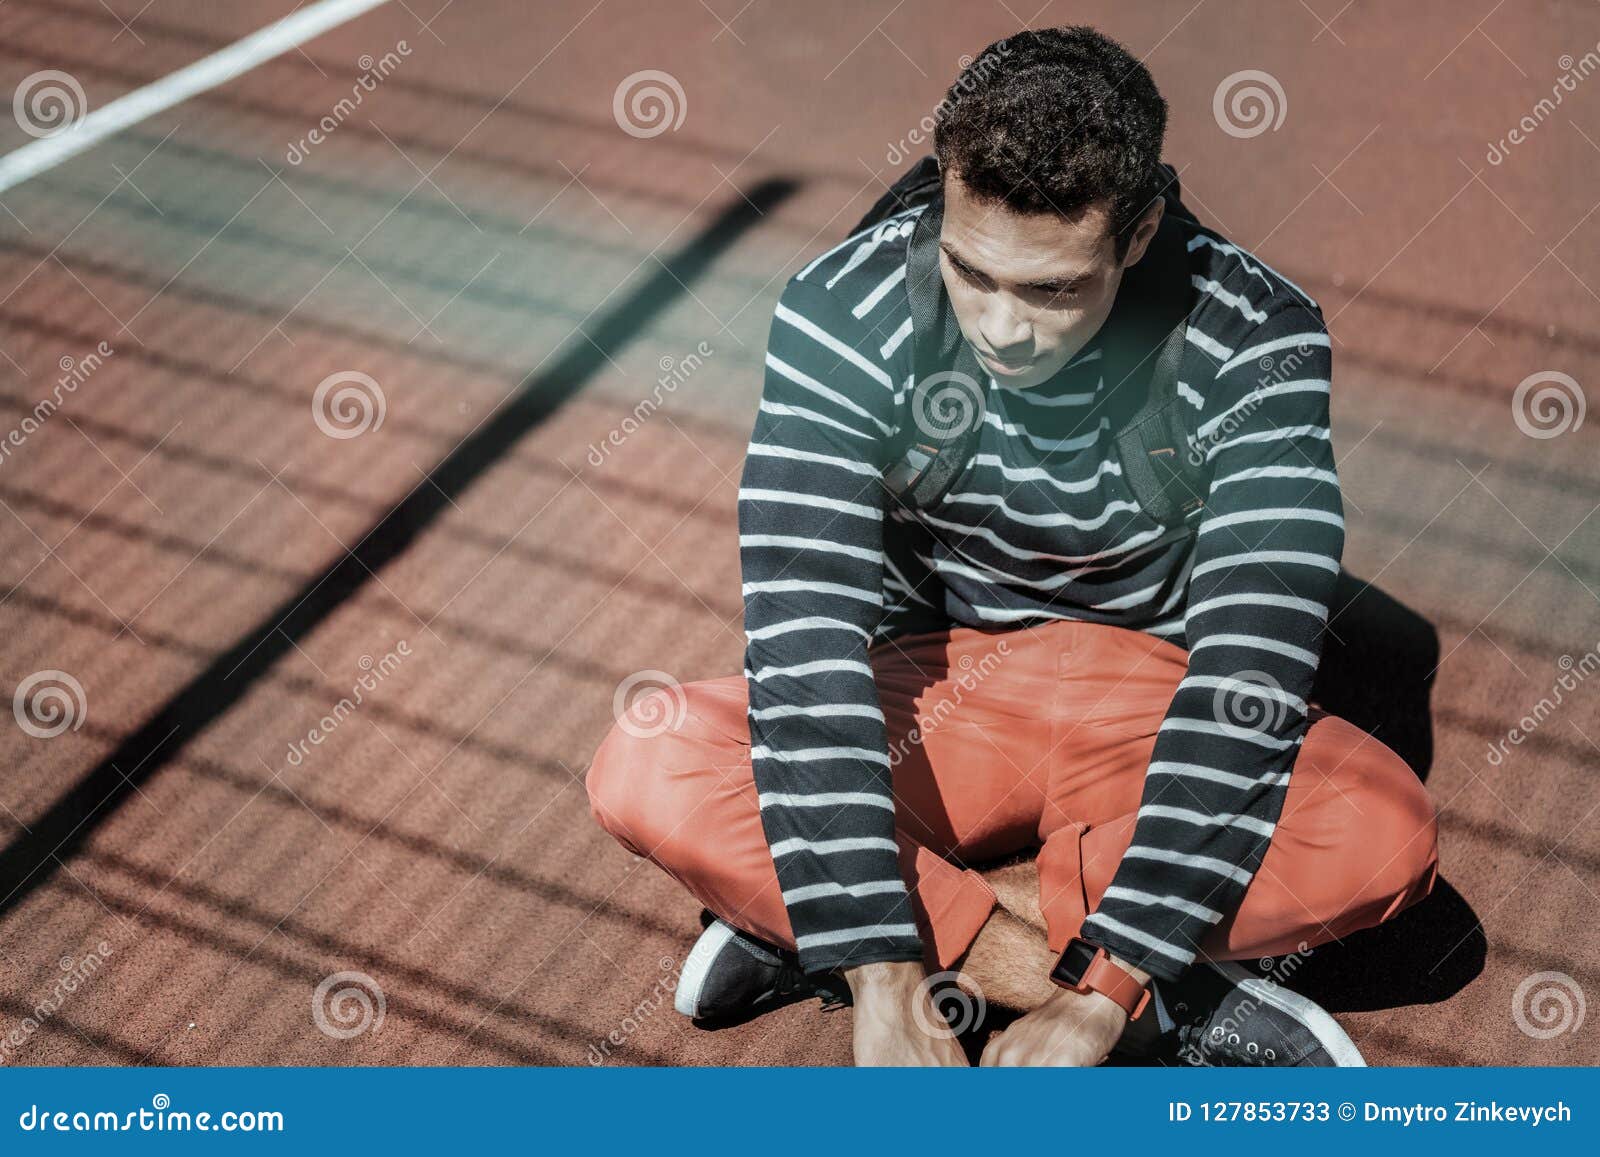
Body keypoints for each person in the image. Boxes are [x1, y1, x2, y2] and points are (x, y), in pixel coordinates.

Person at [588, 25, 1439, 1067]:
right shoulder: (842, 309)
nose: (1000, 326)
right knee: (650, 756)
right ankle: (1159, 997)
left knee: (1381, 831)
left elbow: (1244, 679)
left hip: (1151, 697)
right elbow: (804, 639)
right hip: (944, 684)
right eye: (971, 270)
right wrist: (886, 970)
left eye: (1051, 289)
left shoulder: (1259, 336)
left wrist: (1099, 987)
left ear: (1138, 233)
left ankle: (814, 917)